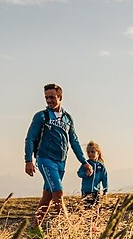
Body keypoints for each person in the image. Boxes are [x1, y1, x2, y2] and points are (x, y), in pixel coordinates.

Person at [24, 83, 92, 229]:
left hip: (61, 162)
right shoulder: (41, 116)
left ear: (60, 97)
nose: (49, 101)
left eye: (52, 97)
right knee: (58, 192)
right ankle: (68, 228)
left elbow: (74, 141)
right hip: (45, 159)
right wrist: (28, 160)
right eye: (46, 98)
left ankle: (35, 229)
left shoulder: (68, 118)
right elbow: (30, 138)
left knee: (47, 196)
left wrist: (84, 161)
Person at [77, 140, 108, 207]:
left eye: (92, 152)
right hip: (86, 191)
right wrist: (86, 174)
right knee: (86, 208)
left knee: (95, 208)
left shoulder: (101, 166)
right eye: (88, 152)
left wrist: (105, 190)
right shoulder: (85, 164)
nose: (90, 154)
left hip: (96, 192)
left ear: (98, 153)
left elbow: (104, 179)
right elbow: (79, 173)